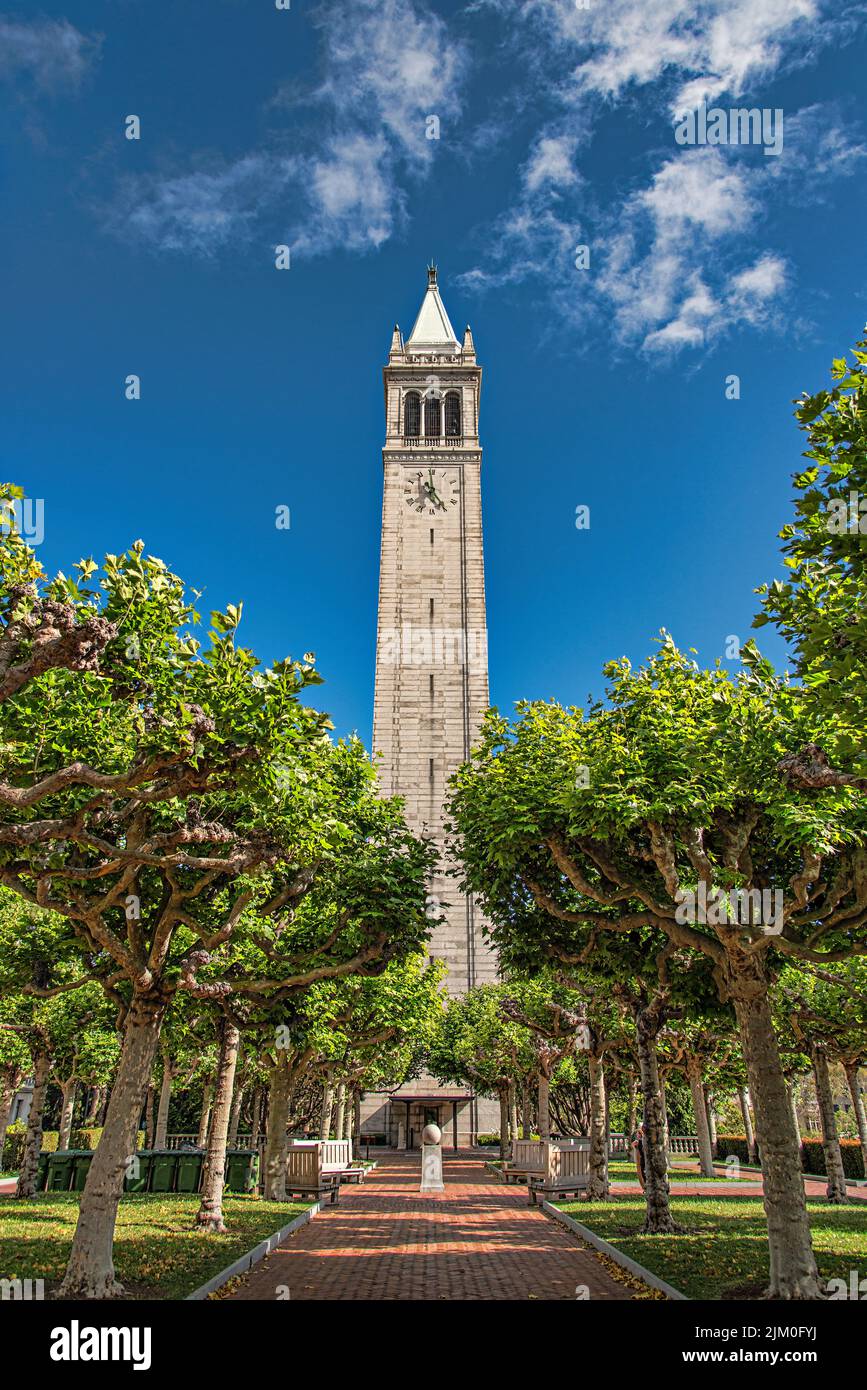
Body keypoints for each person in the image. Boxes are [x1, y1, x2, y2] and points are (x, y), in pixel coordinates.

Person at [631, 1121, 647, 1190]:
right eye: (639, 1132)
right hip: (641, 1162)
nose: (639, 1134)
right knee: (641, 1170)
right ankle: (644, 1187)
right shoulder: (637, 1143)